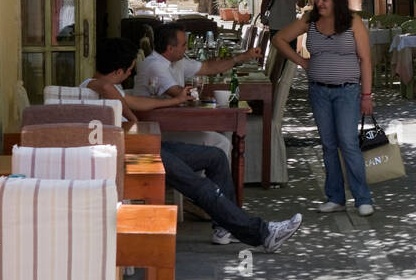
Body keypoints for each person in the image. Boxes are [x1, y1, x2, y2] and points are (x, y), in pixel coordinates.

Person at [88, 38, 301, 252]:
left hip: (145, 148)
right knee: (200, 187)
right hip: (136, 156)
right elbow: (106, 88)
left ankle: (224, 228)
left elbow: (138, 101)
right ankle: (263, 233)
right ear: (118, 71)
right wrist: (135, 122)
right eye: (129, 71)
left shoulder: (112, 88)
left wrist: (174, 100)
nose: (130, 75)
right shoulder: (95, 86)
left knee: (216, 156)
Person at [272, 0, 375, 216]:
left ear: (336, 0)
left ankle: (363, 198)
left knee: (348, 143)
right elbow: (279, 39)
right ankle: (335, 197)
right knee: (328, 145)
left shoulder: (352, 22)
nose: (319, 3)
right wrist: (301, 62)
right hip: (318, 90)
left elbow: (365, 60)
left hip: (347, 91)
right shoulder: (310, 19)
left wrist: (367, 95)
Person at [133, 22, 262, 157]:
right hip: (157, 128)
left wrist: (239, 58)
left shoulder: (176, 61)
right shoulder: (155, 65)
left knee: (221, 133)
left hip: (171, 120)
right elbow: (178, 93)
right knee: (221, 142)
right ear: (170, 48)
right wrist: (205, 98)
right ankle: (207, 177)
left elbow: (209, 68)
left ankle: (201, 175)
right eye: (183, 45)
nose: (186, 48)